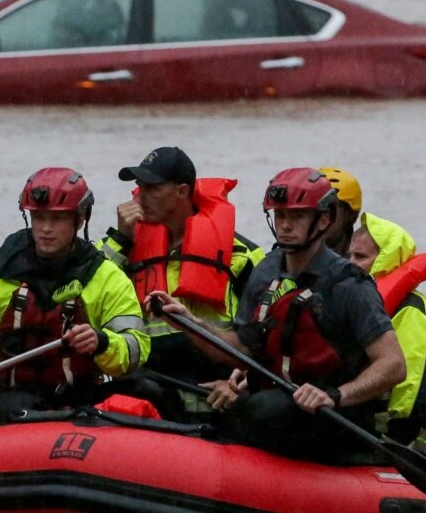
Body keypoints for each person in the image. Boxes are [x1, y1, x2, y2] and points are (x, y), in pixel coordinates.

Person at [152, 167, 406, 462]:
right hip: (277, 408)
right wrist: (189, 323)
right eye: (280, 215)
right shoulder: (267, 271)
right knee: (238, 407)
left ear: (324, 220)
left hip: (334, 417)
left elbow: (393, 365)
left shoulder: (349, 284)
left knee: (265, 409)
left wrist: (336, 396)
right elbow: (241, 349)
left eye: (297, 216)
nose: (285, 225)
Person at [0, 167, 149, 429]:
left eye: (57, 219)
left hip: (82, 399)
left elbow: (135, 347)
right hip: (15, 403)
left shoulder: (105, 277)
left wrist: (102, 342)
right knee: (10, 406)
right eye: (39, 218)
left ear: (80, 219)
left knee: (144, 388)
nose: (46, 229)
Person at [97, 146, 264, 419]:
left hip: (214, 398)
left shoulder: (241, 256)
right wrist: (121, 239)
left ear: (182, 191)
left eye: (153, 188)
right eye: (139, 186)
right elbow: (86, 290)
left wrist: (240, 381)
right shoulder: (122, 248)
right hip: (149, 396)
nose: (139, 197)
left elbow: (265, 338)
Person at [347, 212, 426, 454]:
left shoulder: (411, 309)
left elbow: (409, 391)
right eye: (349, 255)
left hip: (401, 434)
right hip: (364, 412)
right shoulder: (358, 300)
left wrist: (383, 433)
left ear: (386, 258)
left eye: (360, 256)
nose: (351, 263)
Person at [319, 167, 363, 256]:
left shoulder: (364, 259)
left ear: (350, 215)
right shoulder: (291, 257)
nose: (318, 216)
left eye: (328, 208)